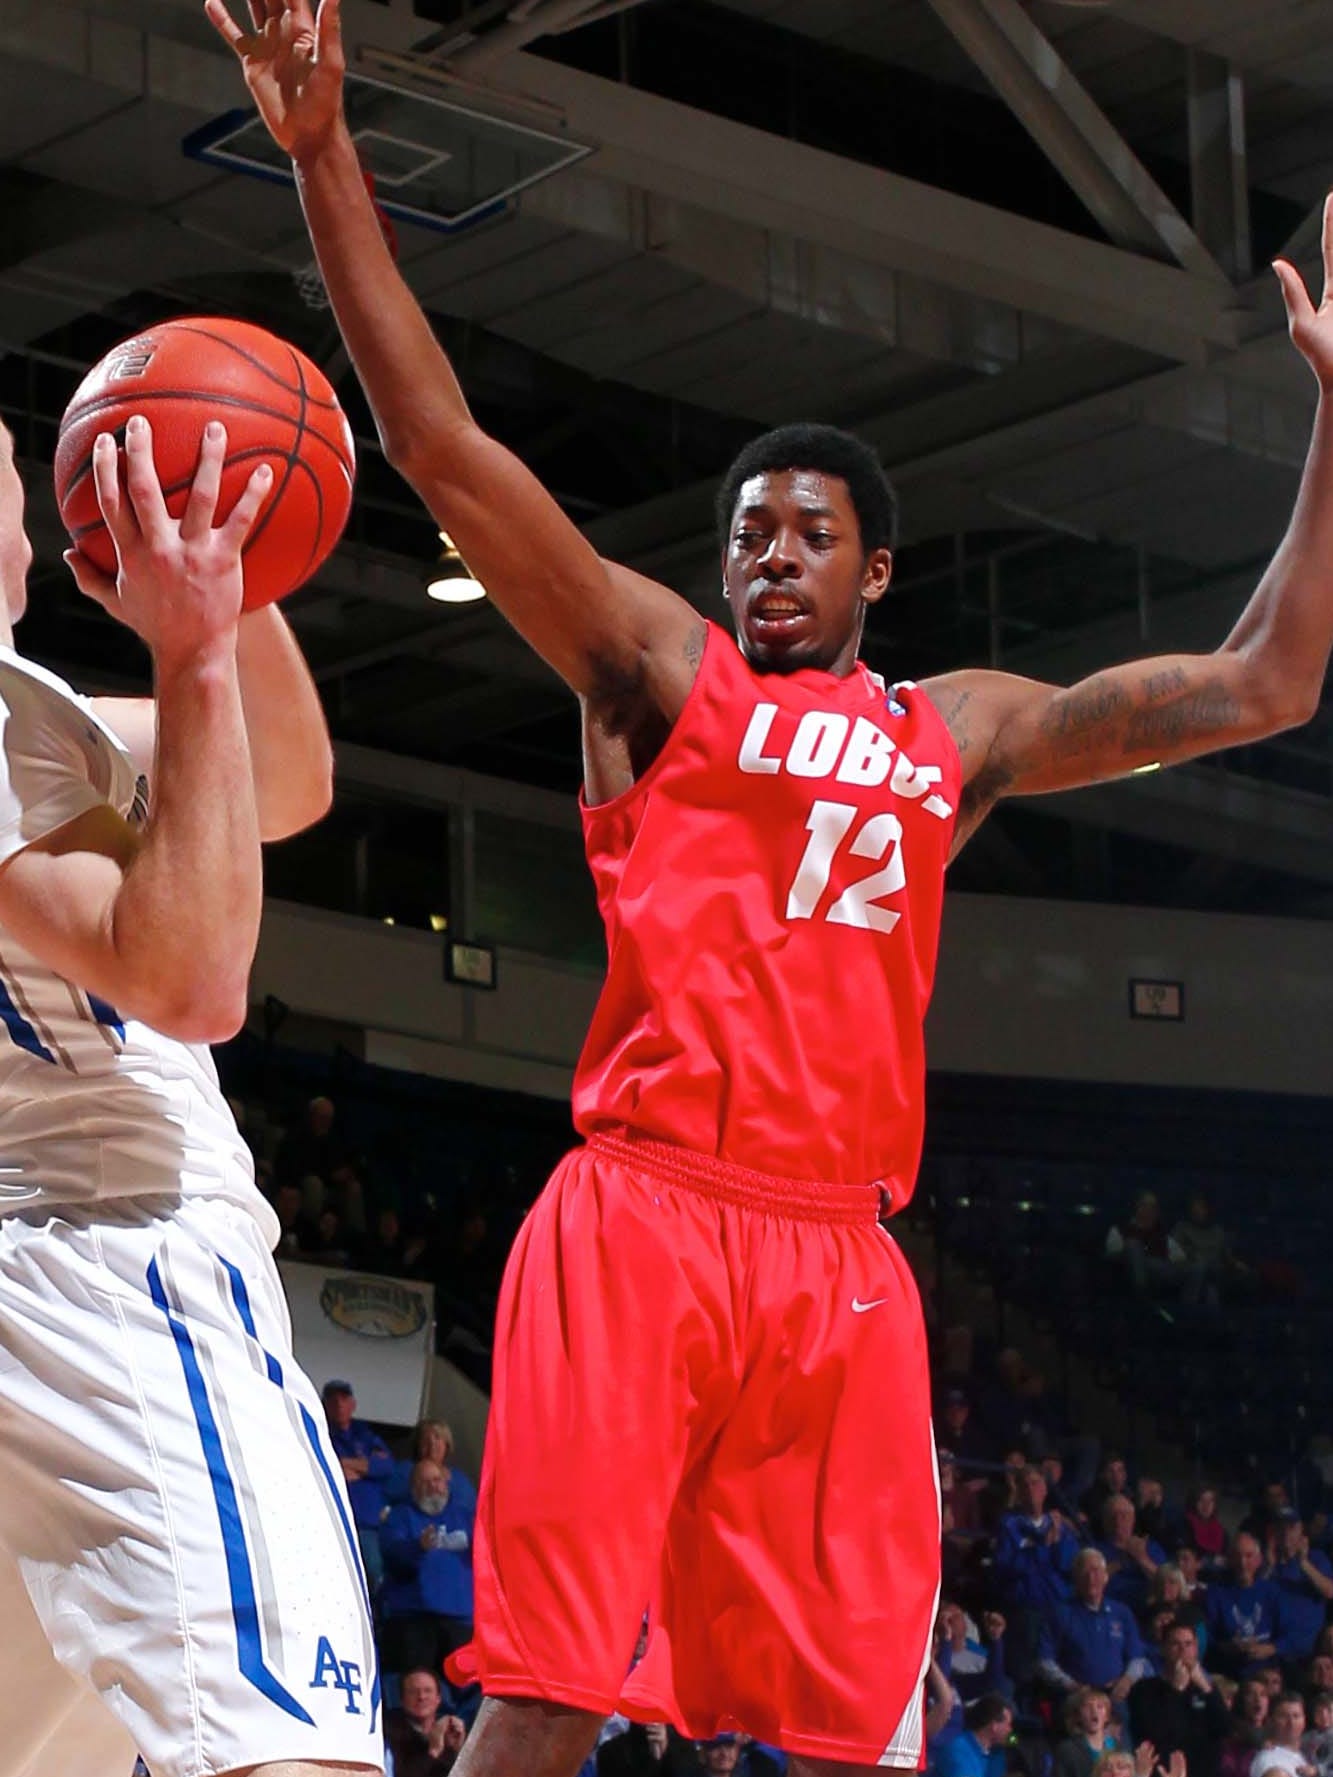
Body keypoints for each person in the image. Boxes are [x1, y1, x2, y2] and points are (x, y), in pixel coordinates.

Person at [206, 3, 1333, 1766]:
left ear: (874, 564)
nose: (768, 555)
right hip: (647, 1211)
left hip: (842, 1262)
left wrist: (1332, 414)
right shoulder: (656, 676)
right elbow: (442, 451)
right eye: (744, 533)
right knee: (554, 1679)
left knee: (839, 1727)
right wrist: (325, 151)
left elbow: (1264, 683)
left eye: (805, 532)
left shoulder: (952, 731)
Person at [0, 408, 380, 1775]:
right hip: (111, 1267)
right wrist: (196, 644)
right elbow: (193, 979)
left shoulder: (42, 726)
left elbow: (282, 779)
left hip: (32, 1298)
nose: (33, 502)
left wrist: (235, 581)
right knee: (293, 1752)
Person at [1128, 1622, 1231, 1777]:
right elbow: (1154, 1732)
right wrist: (1175, 1691)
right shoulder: (1144, 1689)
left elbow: (1225, 1728)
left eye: (1188, 1644)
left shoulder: (1206, 1689)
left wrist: (1205, 1686)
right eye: (1175, 1644)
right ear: (1163, 1649)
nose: (1183, 1650)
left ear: (1196, 1649)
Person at [325, 1377, 396, 1594]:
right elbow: (323, 1466)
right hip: (333, 1520)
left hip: (366, 1522)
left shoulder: (365, 1435)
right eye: (333, 1400)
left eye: (343, 1399)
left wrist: (343, 1463)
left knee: (374, 1573)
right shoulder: (321, 1433)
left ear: (352, 1404)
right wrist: (361, 1468)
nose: (339, 1405)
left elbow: (385, 1466)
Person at [386, 1669, 468, 1777]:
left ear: (438, 1698)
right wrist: (433, 1750)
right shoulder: (390, 1730)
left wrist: (459, 1750)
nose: (421, 1697)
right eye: (413, 1692)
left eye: (428, 1691)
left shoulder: (449, 1729)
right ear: (402, 1699)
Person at [937, 1695, 1014, 1777]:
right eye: (1008, 1724)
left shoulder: (991, 1754)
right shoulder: (959, 1753)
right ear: (994, 1726)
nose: (1010, 1730)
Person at [1055, 1688, 1121, 1777]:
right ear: (1078, 1716)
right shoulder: (1067, 1749)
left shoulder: (1117, 1747)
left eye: (1100, 1706)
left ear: (1107, 1716)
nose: (1094, 1711)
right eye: (1087, 1706)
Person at [1251, 1694, 1316, 1777]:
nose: (1291, 1722)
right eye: (1283, 1716)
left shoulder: (1307, 1755)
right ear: (1270, 1721)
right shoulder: (1269, 1759)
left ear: (1304, 1720)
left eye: (1296, 1716)